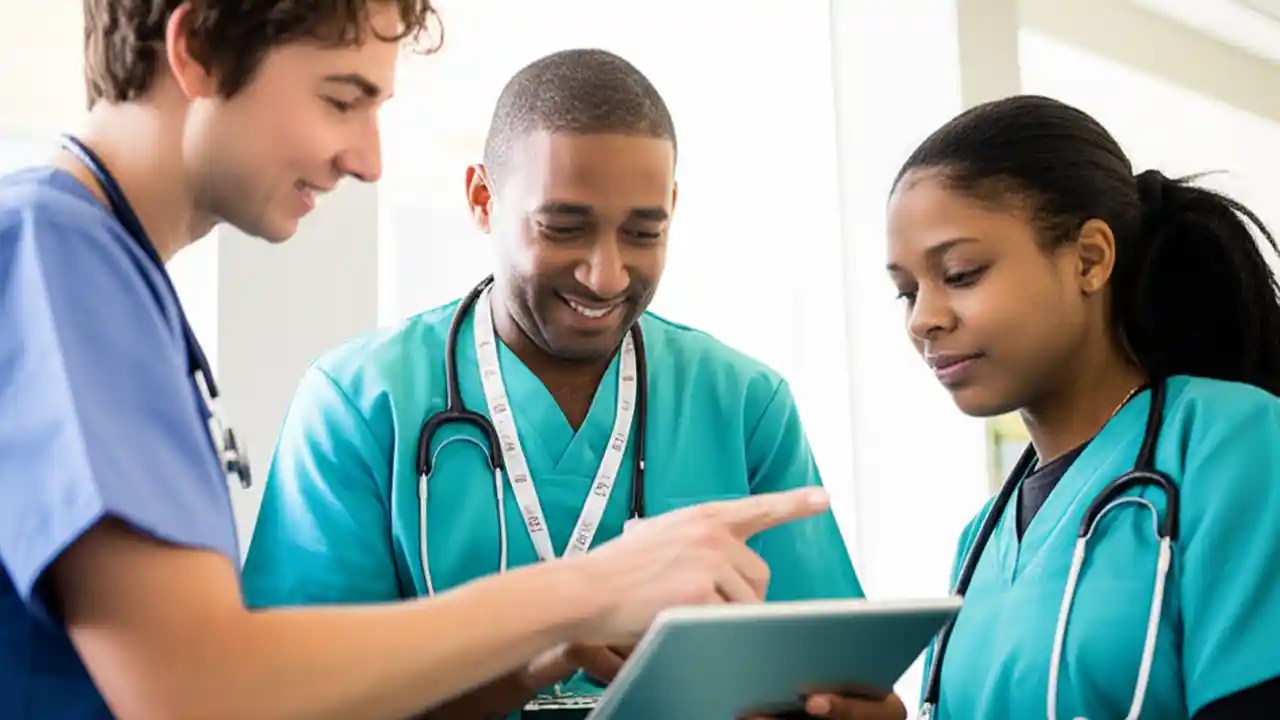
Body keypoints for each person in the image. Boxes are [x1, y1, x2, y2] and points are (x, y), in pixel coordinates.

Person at [0, 4, 836, 718]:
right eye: (341, 99)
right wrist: (590, 589)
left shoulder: (105, 273)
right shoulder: (55, 253)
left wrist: (538, 655)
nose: (368, 160)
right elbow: (200, 687)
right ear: (199, 51)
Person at [241, 48, 895, 719]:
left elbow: (826, 674)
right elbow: (293, 698)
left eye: (643, 232)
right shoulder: (357, 402)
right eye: (563, 228)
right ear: (483, 199)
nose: (606, 275)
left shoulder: (743, 405)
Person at [882, 94, 1280, 719]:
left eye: (960, 273)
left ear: (1089, 260)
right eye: (907, 292)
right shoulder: (978, 544)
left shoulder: (1231, 441)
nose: (923, 320)